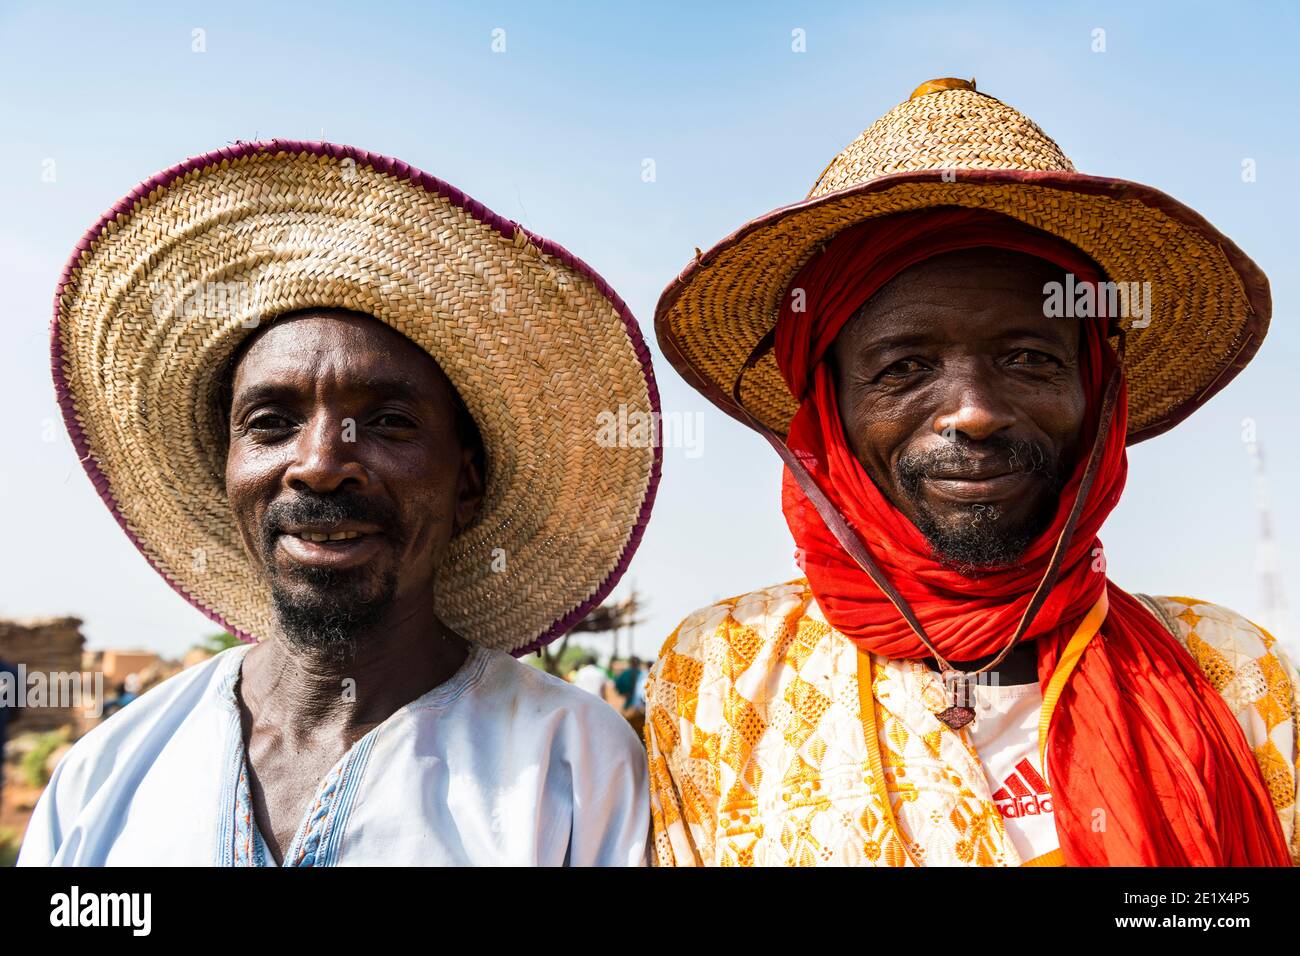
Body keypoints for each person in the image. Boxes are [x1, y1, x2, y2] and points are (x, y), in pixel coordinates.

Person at [646, 78, 1298, 866]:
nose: (975, 412)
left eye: (1028, 358)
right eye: (905, 365)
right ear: (829, 409)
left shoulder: (1233, 671)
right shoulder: (721, 676)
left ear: (1097, 396)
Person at [21, 140, 660, 866]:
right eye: (271, 424)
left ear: (467, 483)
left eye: (389, 422)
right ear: (227, 467)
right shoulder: (104, 779)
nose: (320, 466)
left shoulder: (572, 771)